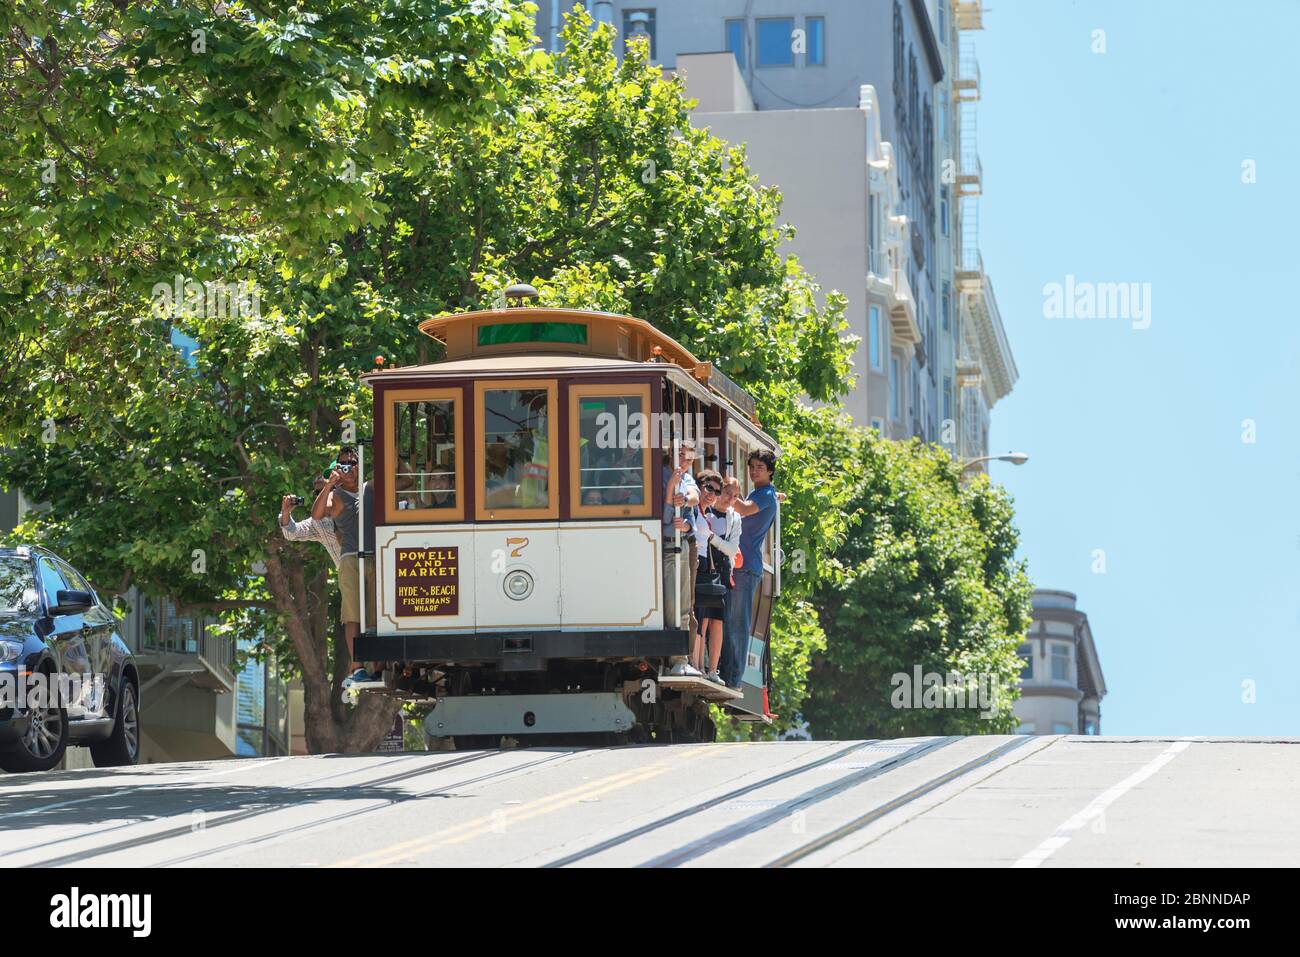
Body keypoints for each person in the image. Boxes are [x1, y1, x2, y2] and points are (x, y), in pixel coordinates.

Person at [311, 445, 377, 682]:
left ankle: (377, 666)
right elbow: (317, 514)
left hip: (376, 557)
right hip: (351, 559)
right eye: (344, 465)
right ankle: (356, 667)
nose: (349, 469)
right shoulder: (335, 495)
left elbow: (407, 482)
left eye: (353, 463)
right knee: (352, 615)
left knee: (376, 617)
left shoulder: (371, 488)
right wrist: (329, 483)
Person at [721, 449, 780, 693]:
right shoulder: (764, 492)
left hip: (746, 567)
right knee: (729, 621)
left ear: (770, 471)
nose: (754, 471)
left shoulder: (765, 493)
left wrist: (727, 492)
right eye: (752, 466)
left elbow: (744, 510)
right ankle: (726, 673)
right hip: (739, 565)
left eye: (760, 467)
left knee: (737, 623)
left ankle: (733, 679)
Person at [662, 438, 701, 677]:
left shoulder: (686, 478)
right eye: (682, 457)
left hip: (681, 544)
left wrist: (685, 504)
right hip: (663, 545)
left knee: (684, 603)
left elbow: (694, 496)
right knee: (671, 604)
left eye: (690, 459)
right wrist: (669, 492)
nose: (685, 462)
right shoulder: (660, 474)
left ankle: (681, 658)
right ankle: (672, 656)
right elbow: (663, 516)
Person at [279, 478, 343, 567]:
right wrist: (285, 512)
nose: (325, 494)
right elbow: (291, 534)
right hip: (349, 577)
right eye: (319, 492)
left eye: (331, 488)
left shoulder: (357, 505)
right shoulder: (318, 523)